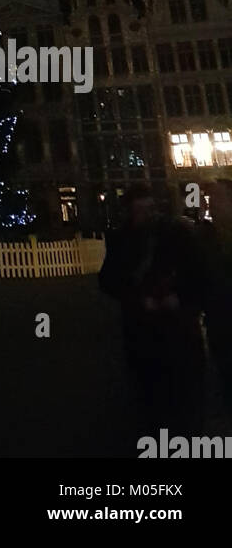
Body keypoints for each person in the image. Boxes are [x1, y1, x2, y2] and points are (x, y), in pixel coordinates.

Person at [98, 182, 206, 437]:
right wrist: (138, 300)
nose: (147, 215)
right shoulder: (122, 239)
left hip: (176, 328)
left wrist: (178, 298)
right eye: (140, 211)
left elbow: (197, 272)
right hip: (143, 332)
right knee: (151, 397)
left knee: (184, 398)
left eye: (149, 209)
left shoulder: (175, 235)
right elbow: (109, 280)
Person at [199, 178, 232, 411]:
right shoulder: (205, 237)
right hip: (220, 321)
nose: (213, 205)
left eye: (219, 198)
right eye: (212, 200)